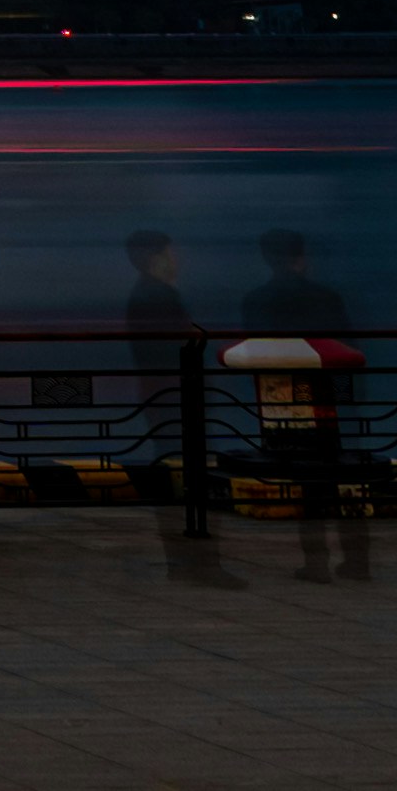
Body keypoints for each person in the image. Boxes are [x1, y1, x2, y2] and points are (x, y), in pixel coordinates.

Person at [239, 229, 369, 583]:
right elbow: (348, 350)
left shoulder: (255, 300)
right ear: (303, 256)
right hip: (329, 399)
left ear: (266, 258)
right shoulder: (327, 296)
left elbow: (255, 355)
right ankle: (358, 561)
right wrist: (346, 402)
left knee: (308, 480)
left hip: (285, 401)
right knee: (344, 477)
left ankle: (316, 563)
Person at [126, 231, 229, 582]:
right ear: (155, 257)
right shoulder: (158, 296)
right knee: (189, 479)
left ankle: (184, 564)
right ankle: (198, 565)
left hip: (162, 397)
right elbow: (174, 350)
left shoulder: (145, 294)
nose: (177, 260)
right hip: (176, 398)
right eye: (171, 253)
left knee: (175, 477)